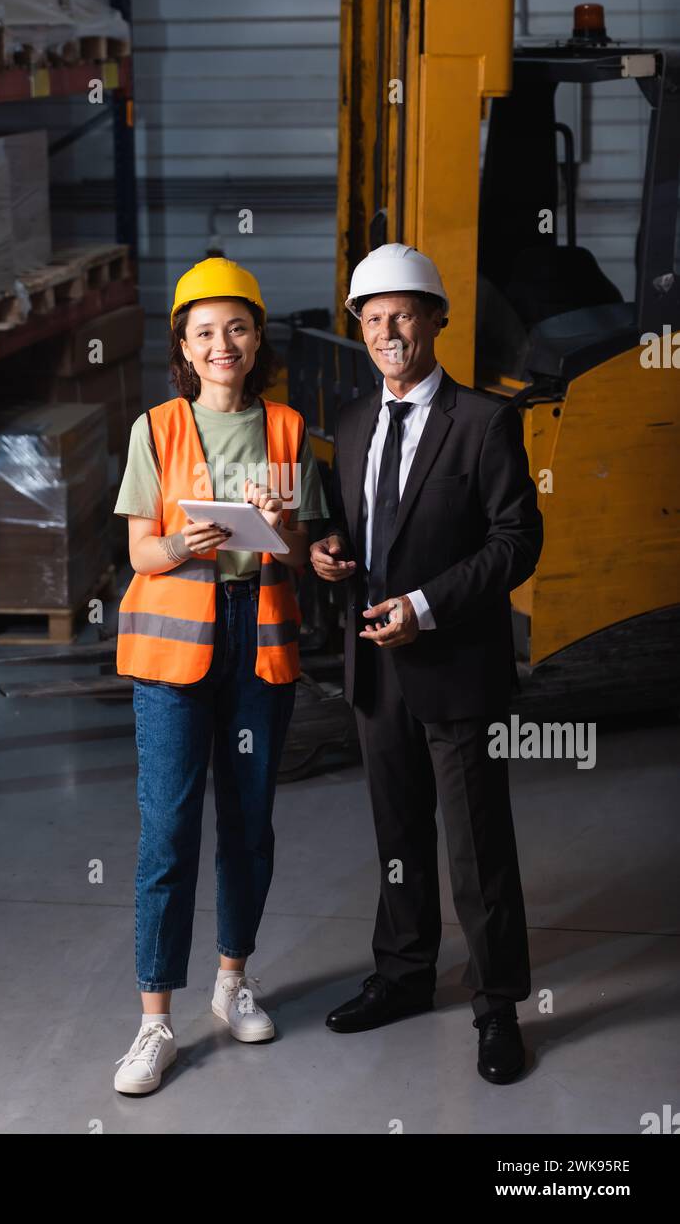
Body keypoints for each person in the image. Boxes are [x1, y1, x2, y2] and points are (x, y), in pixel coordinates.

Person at [311, 243, 543, 1085]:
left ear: (436, 318)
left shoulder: (483, 422)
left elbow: (517, 542)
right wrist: (329, 554)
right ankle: (405, 975)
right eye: (370, 319)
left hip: (455, 667)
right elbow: (354, 531)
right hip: (377, 673)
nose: (386, 331)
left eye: (401, 313)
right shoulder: (349, 422)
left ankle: (496, 1007)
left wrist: (426, 606)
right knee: (397, 835)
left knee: (476, 844)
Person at [112, 257, 328, 1095]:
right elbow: (137, 551)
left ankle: (233, 982)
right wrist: (178, 546)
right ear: (184, 346)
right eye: (204, 331)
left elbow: (302, 555)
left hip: (256, 641)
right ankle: (153, 1023)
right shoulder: (155, 429)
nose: (222, 344)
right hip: (173, 651)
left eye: (236, 327)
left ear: (256, 335)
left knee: (247, 824)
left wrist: (288, 534)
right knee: (167, 831)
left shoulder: (288, 429)